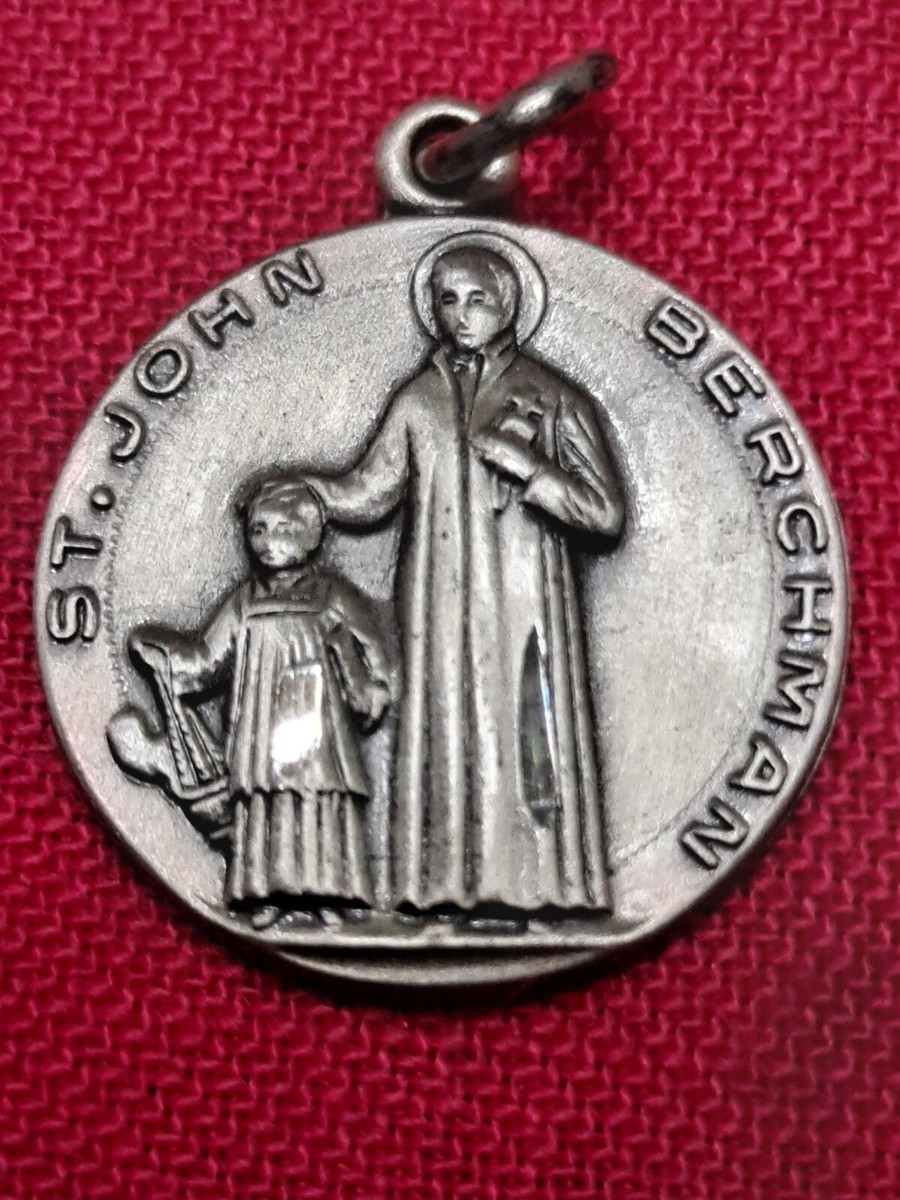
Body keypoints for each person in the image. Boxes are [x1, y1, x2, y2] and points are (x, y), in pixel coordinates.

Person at [300, 241, 624, 917]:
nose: (461, 315)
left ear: (508, 305)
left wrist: (530, 468)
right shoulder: (418, 398)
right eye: (447, 300)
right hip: (439, 596)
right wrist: (310, 493)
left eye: (477, 299)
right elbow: (372, 490)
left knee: (527, 724)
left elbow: (603, 513)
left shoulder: (553, 399)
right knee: (446, 722)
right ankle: (444, 885)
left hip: (525, 598)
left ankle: (540, 887)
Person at [129, 479, 392, 928]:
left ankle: (330, 895)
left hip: (318, 719)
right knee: (266, 801)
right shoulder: (244, 601)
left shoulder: (332, 595)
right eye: (259, 530)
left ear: (312, 536)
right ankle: (267, 895)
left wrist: (379, 685)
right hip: (263, 724)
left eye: (284, 529)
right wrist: (166, 657)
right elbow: (207, 659)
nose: (270, 542)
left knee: (319, 795)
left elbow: (374, 646)